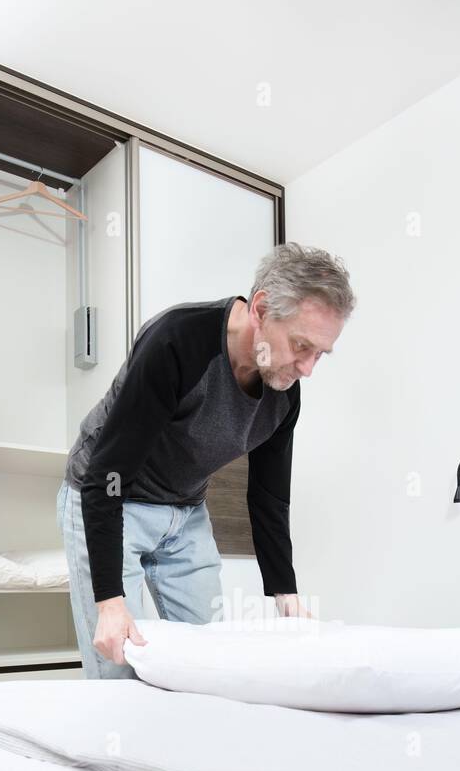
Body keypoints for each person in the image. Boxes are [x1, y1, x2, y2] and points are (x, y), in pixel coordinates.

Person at [57, 241, 356, 678]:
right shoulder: (177, 341)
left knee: (208, 666)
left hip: (185, 512)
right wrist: (109, 601)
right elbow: (108, 472)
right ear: (261, 309)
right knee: (118, 667)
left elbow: (269, 498)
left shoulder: (285, 392)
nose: (308, 367)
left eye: (319, 354)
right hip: (110, 498)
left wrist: (285, 594)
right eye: (300, 345)